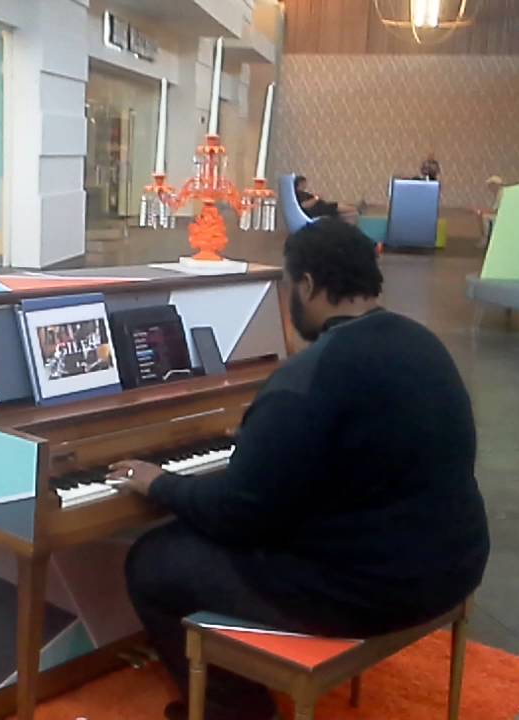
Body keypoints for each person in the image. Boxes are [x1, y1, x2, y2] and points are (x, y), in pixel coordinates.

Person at [113, 218, 491, 720]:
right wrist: (265, 444)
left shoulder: (308, 376)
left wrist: (158, 481)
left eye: (289, 287)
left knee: (153, 560)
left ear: (308, 286)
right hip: (453, 567)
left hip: (369, 593)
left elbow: (236, 516)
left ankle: (237, 713)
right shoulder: (423, 345)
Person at [294, 176, 360, 224]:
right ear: (301, 183)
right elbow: (304, 205)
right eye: (305, 182)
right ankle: (356, 209)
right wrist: (317, 198)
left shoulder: (302, 193)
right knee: (335, 205)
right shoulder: (300, 193)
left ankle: (355, 207)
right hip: (315, 211)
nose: (306, 184)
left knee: (335, 205)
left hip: (320, 208)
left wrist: (315, 197)